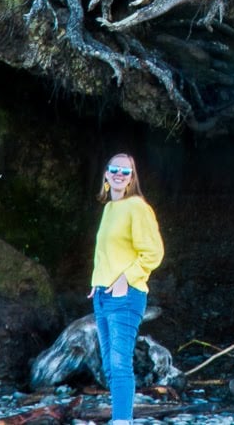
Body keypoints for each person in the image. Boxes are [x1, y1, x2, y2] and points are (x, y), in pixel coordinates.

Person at [90, 152, 164, 425]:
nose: (119, 175)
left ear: (132, 178)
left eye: (126, 171)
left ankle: (122, 421)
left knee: (121, 364)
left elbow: (154, 253)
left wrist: (125, 279)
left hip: (127, 295)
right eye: (114, 170)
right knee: (109, 365)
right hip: (102, 295)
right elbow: (106, 253)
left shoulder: (137, 207)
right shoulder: (110, 208)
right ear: (106, 175)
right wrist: (96, 282)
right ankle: (121, 418)